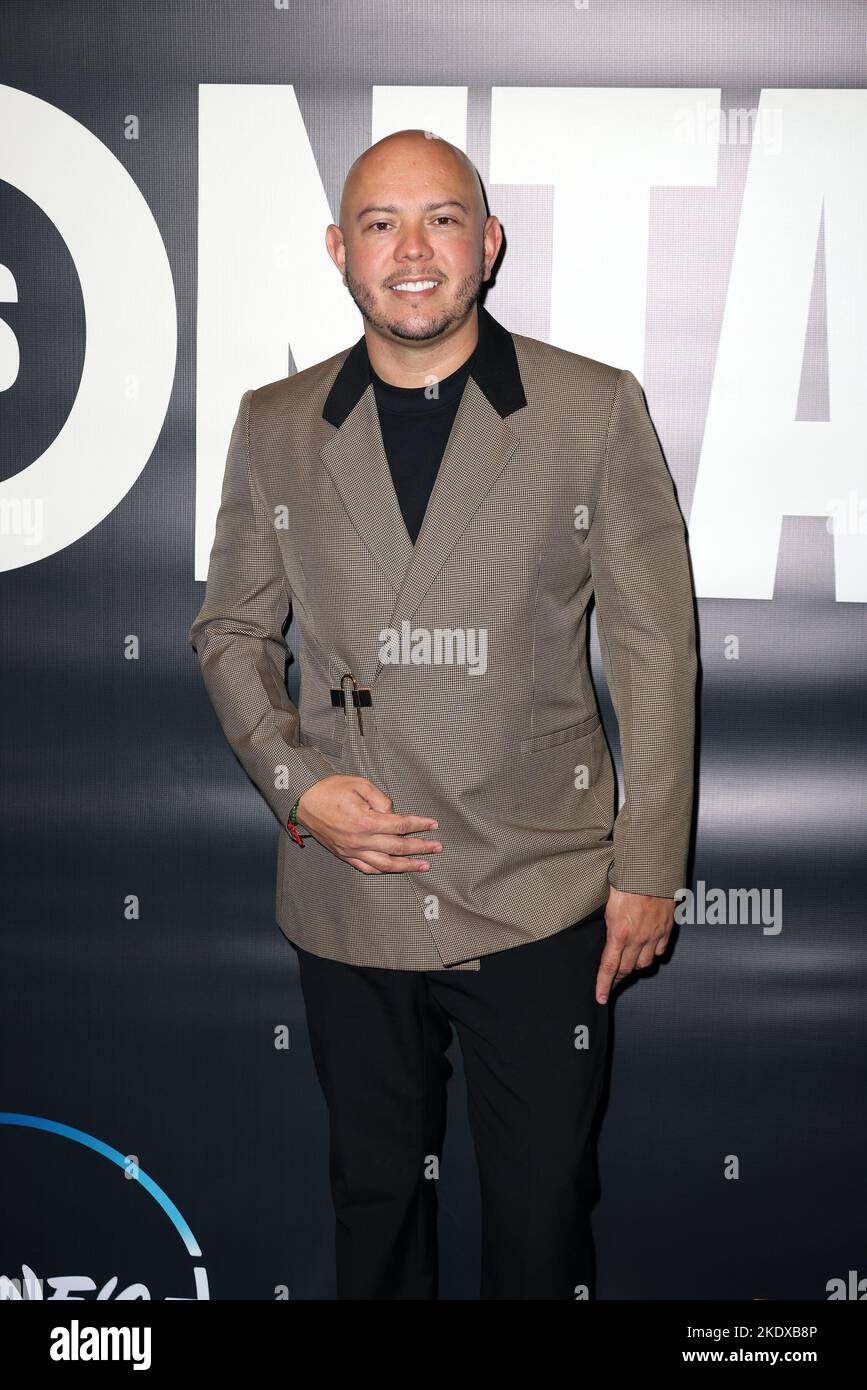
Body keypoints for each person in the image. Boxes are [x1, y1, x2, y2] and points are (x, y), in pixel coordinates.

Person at [188, 128, 697, 1299]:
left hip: (541, 892)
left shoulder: (591, 408)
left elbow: (654, 650)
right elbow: (229, 632)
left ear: (490, 242)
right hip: (348, 894)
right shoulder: (276, 424)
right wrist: (297, 785)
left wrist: (650, 864)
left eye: (442, 219)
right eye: (380, 225)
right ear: (339, 251)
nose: (411, 251)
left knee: (538, 1222)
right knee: (376, 1215)